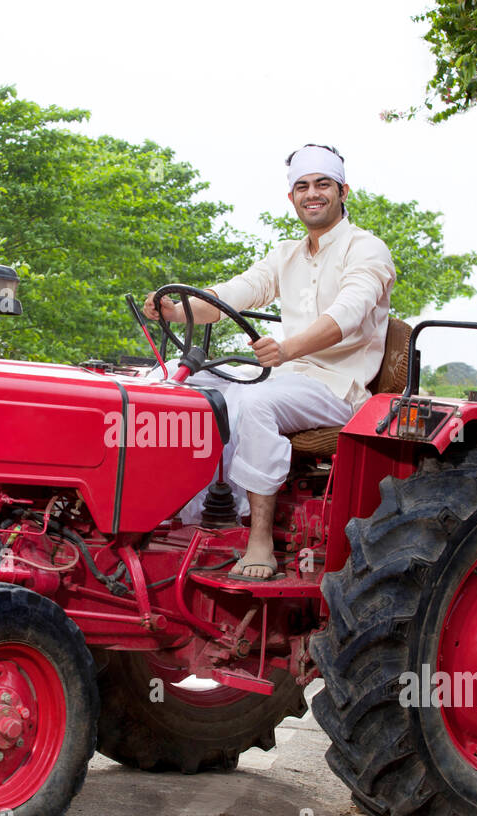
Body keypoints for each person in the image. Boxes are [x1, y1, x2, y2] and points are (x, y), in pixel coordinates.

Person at [144, 143, 396, 580]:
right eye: (302, 186)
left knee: (258, 403)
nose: (311, 193)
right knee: (173, 382)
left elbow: (348, 316)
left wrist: (288, 349)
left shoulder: (367, 249)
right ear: (292, 197)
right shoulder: (285, 254)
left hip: (337, 387)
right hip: (286, 374)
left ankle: (256, 538)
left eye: (322, 185)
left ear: (342, 191)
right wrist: (174, 308)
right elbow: (227, 298)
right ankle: (165, 511)